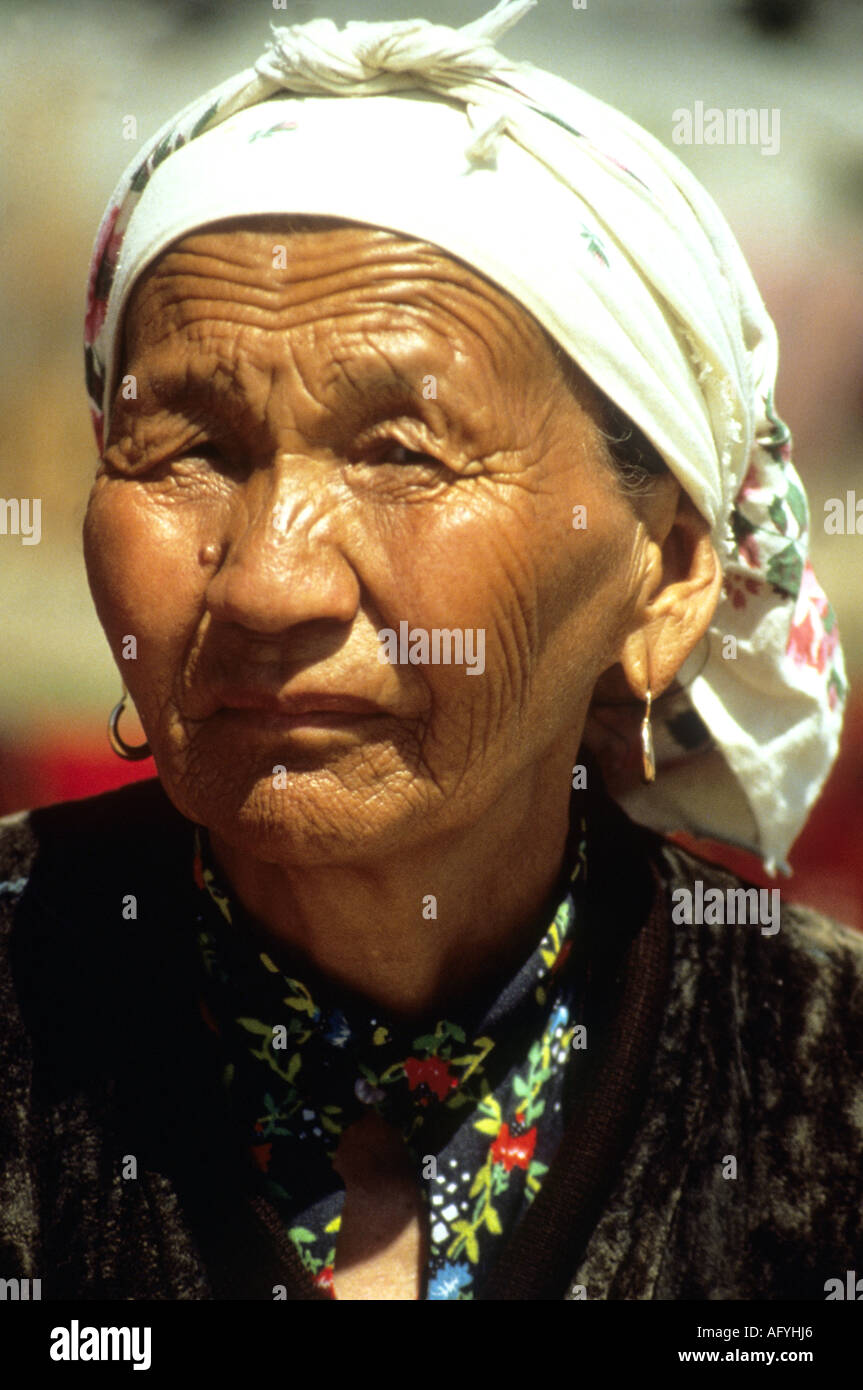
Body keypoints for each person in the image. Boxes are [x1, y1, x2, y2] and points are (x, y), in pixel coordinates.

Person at [1, 1, 859, 1302]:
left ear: (672, 569)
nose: (271, 580)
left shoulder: (823, 1092)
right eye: (185, 446)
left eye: (403, 453)